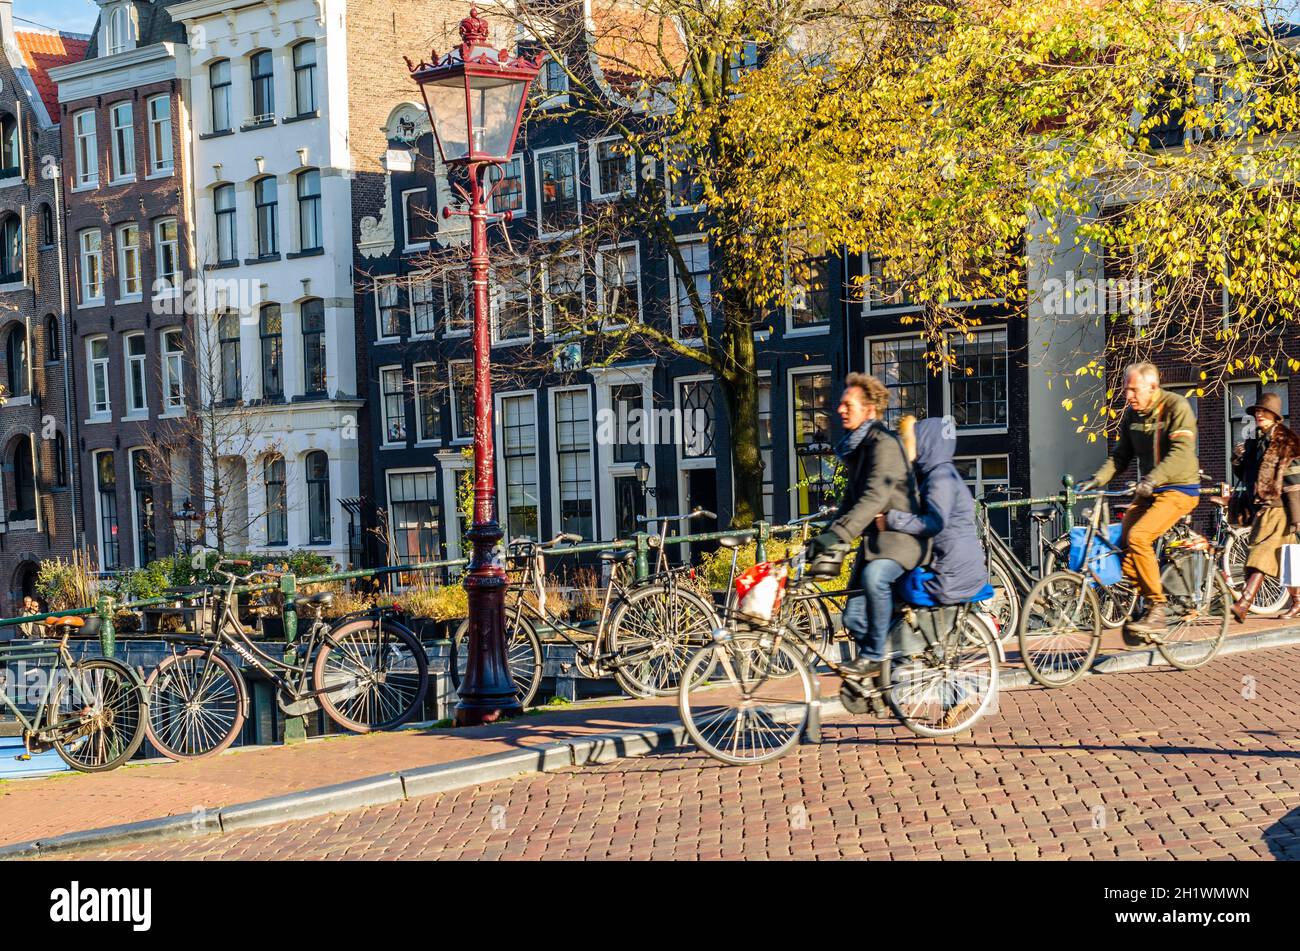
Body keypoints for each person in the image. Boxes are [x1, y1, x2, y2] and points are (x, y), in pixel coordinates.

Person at [805, 373, 927, 676]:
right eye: (841, 404)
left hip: (903, 542)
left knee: (874, 578)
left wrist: (838, 536)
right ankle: (893, 674)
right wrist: (825, 537)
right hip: (877, 545)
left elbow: (874, 498)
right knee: (854, 617)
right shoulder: (860, 449)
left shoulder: (883, 445)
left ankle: (877, 657)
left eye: (848, 404)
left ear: (869, 410)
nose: (840, 409)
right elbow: (850, 502)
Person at [1085, 361, 1201, 643]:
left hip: (1179, 489)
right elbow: (1120, 456)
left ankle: (1157, 607)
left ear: (1152, 387)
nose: (1129, 396)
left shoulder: (1177, 408)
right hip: (1150, 490)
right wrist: (1096, 480)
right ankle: (1144, 605)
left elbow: (1180, 453)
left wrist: (1151, 479)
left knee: (1139, 536)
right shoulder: (1132, 417)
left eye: (1134, 390)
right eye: (1126, 390)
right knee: (1124, 542)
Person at [885, 415, 990, 604]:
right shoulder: (946, 473)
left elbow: (934, 523)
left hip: (952, 575)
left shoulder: (939, 478)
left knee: (897, 585)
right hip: (965, 567)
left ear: (926, 442)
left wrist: (892, 519)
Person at [1229, 392, 1300, 620]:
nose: (1258, 414)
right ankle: (1298, 601)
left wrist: (1297, 517)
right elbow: (1249, 476)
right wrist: (1238, 460)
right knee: (1286, 559)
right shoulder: (1257, 442)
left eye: (1263, 411)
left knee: (1261, 553)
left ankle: (1244, 602)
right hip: (1263, 509)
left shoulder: (1286, 441)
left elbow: (1294, 480)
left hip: (1279, 508)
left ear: (1275, 415)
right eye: (1257, 411)